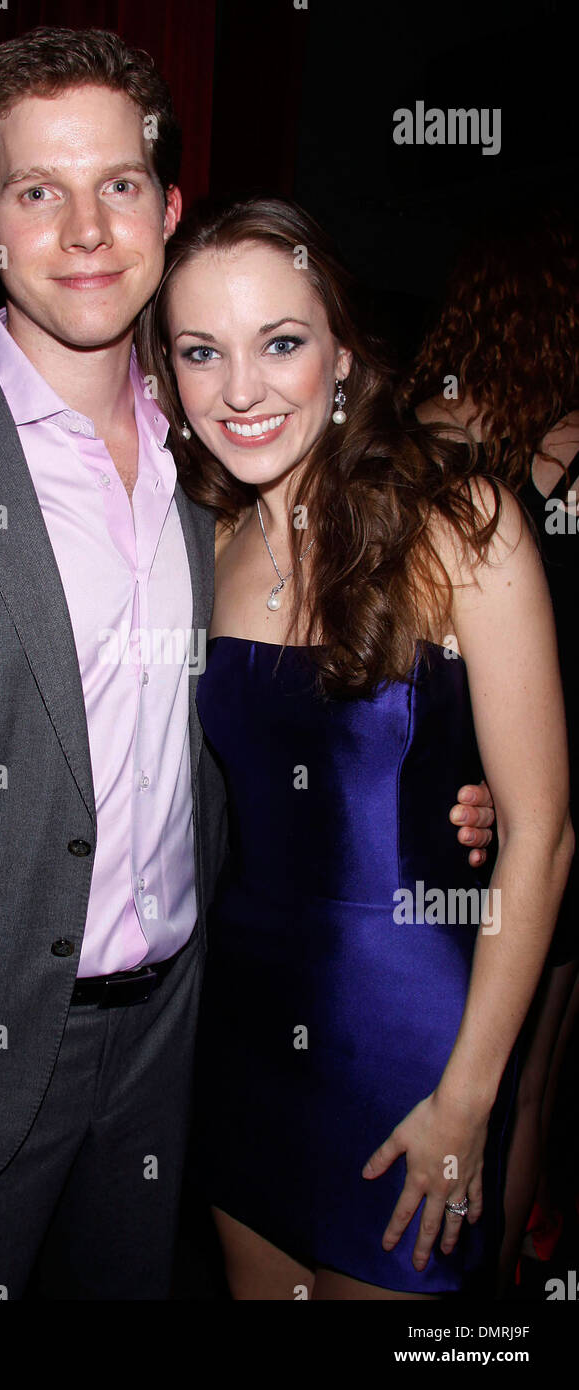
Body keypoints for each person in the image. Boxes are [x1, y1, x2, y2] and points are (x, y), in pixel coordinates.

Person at [0, 31, 493, 1302]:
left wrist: (443, 799)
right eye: (38, 192)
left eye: (120, 184)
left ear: (168, 207)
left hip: (177, 1061)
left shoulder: (228, 459)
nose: (86, 228)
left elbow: (310, 688)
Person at [137, 196, 573, 1299]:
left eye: (279, 343)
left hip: (410, 1037)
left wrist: (470, 1097)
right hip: (241, 1027)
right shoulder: (209, 542)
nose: (241, 389)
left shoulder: (458, 521)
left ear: (340, 352)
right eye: (202, 352)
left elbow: (541, 834)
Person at [402, 212, 579, 1288]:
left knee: (490, 1057)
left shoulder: (440, 440)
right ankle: (491, 1272)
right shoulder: (478, 452)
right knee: (531, 1064)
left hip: (482, 791)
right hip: (518, 800)